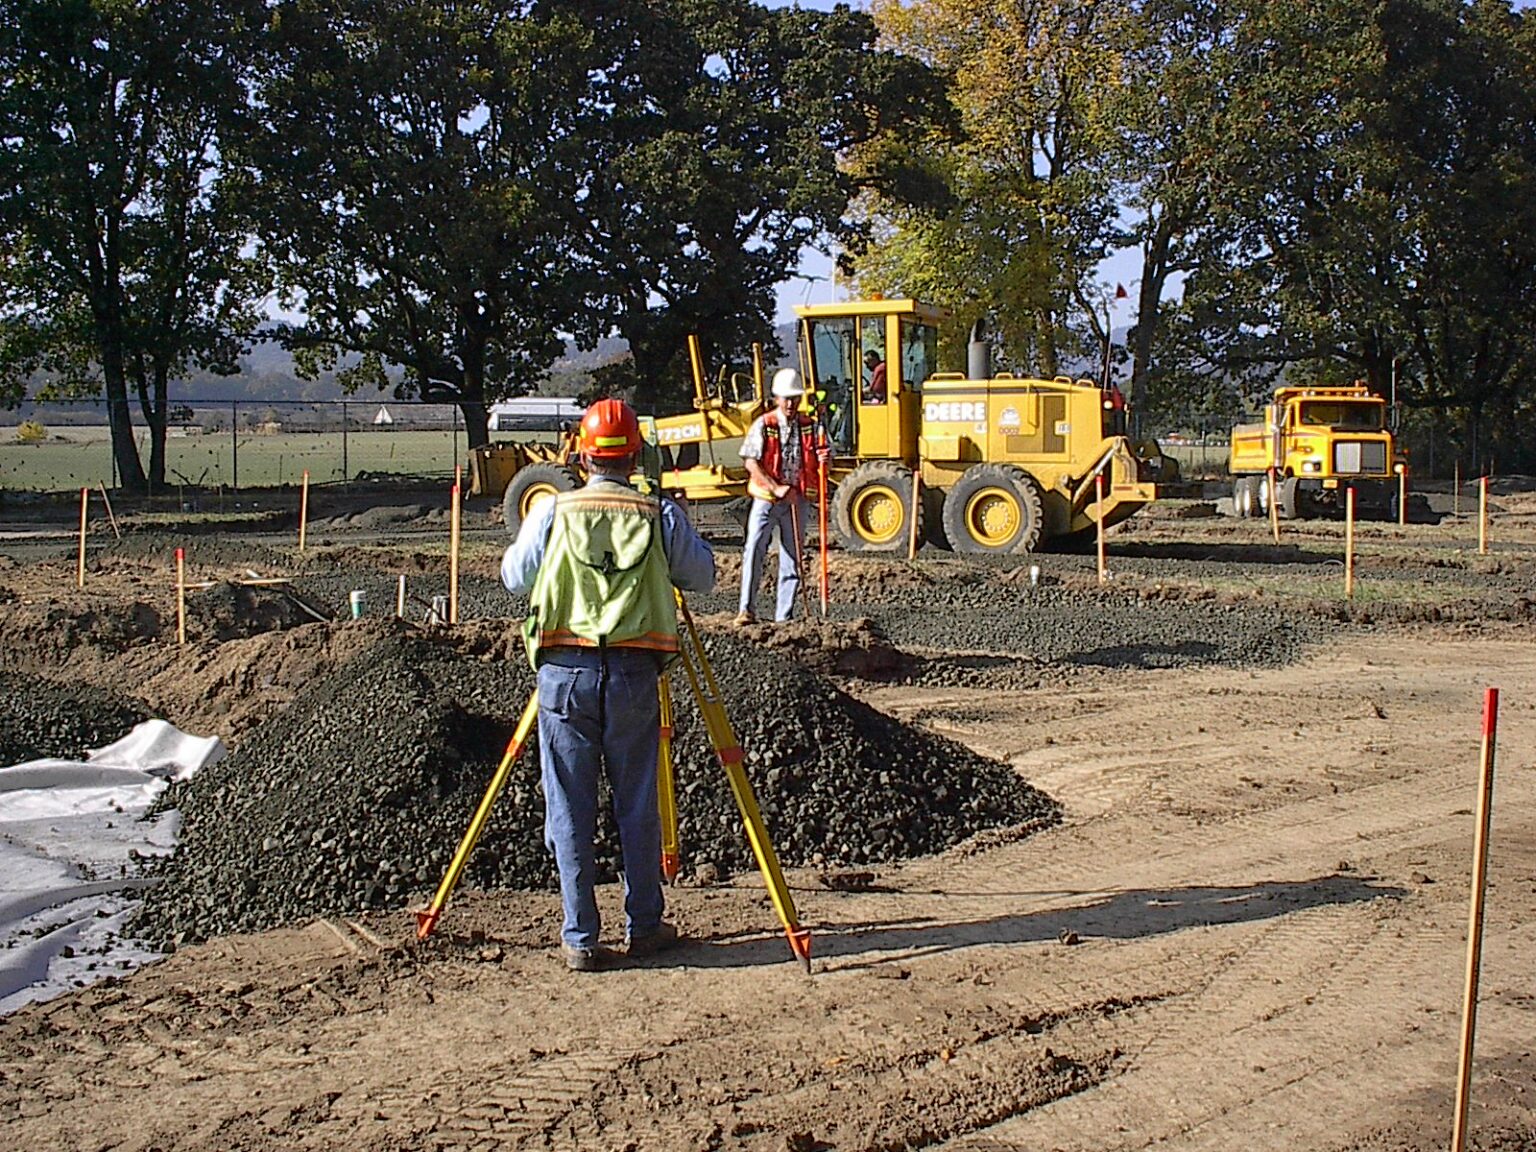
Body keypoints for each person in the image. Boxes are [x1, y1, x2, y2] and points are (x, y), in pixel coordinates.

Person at [501, 398, 715, 972]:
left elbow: (514, 577)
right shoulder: (657, 514)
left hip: (563, 678)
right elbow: (704, 578)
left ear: (583, 452)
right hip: (632, 675)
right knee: (637, 802)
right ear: (636, 453)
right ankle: (645, 925)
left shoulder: (552, 511)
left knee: (569, 807)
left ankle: (580, 937)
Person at [737, 368, 827, 625]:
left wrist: (825, 459)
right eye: (786, 398)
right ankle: (746, 609)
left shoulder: (810, 427)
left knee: (792, 558)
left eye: (795, 398)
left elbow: (823, 456)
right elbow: (751, 463)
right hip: (767, 498)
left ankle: (783, 619)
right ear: (776, 398)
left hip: (796, 500)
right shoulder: (764, 425)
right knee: (754, 549)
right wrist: (775, 488)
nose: (790, 404)